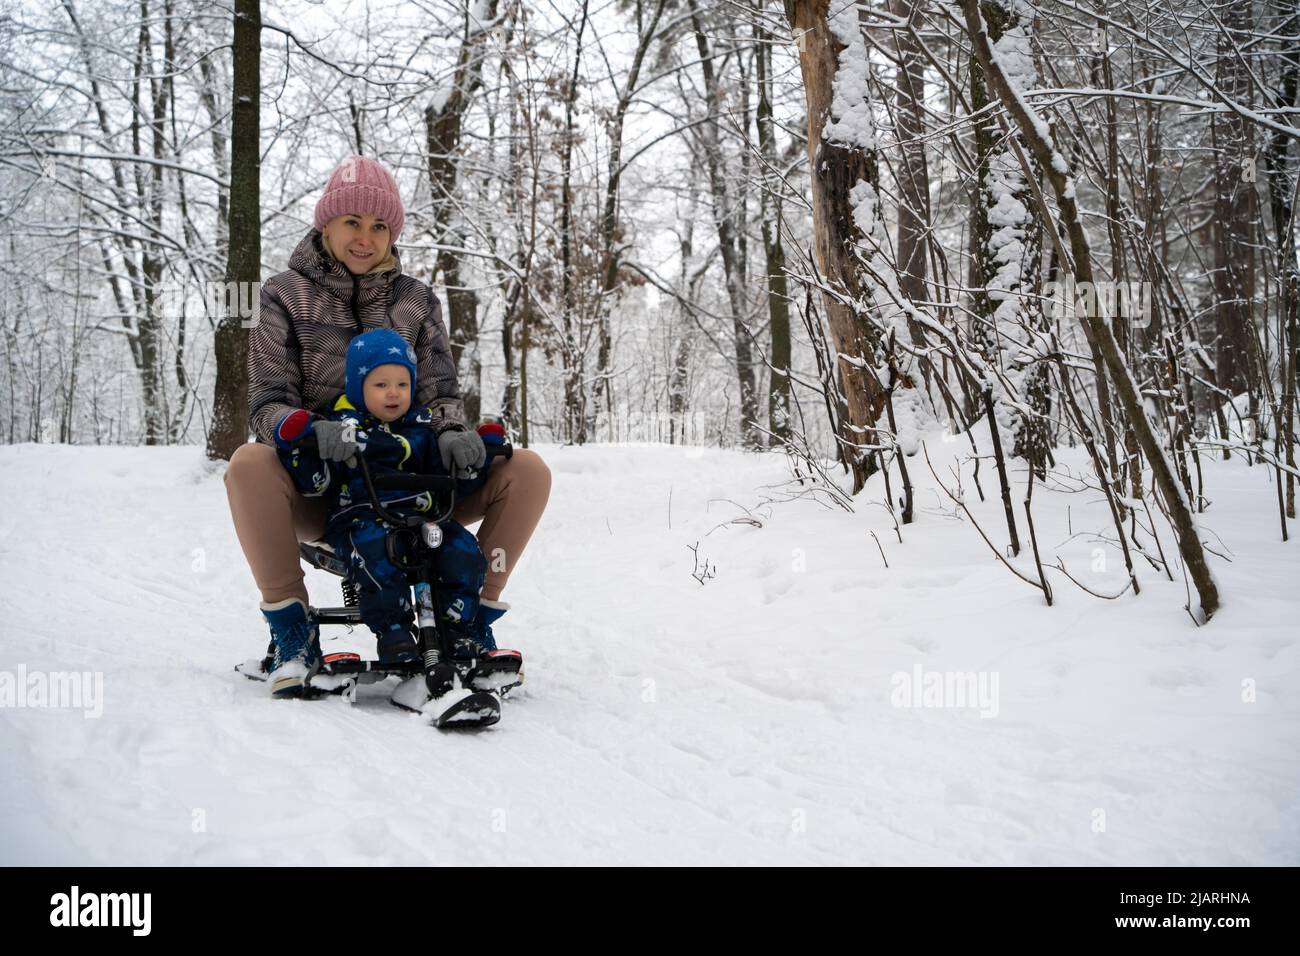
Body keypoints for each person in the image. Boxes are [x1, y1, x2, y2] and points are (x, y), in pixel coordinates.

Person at [223, 155, 551, 697]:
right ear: (325, 224)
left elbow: (441, 391)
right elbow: (266, 401)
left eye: (380, 226)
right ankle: (292, 632)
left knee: (528, 469)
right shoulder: (281, 295)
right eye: (351, 221)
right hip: (327, 489)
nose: (365, 237)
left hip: (413, 482)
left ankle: (469, 624)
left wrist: (451, 431)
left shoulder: (416, 300)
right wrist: (309, 429)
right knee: (248, 463)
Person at [270, 328, 501, 697]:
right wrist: (302, 445)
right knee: (379, 557)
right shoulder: (344, 428)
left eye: (402, 384)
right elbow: (315, 483)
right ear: (358, 387)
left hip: (424, 517)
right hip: (362, 518)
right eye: (380, 385)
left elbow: (453, 482)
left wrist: (478, 456)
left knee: (464, 553)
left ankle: (456, 630)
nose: (393, 393)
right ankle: (393, 631)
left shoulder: (424, 430)